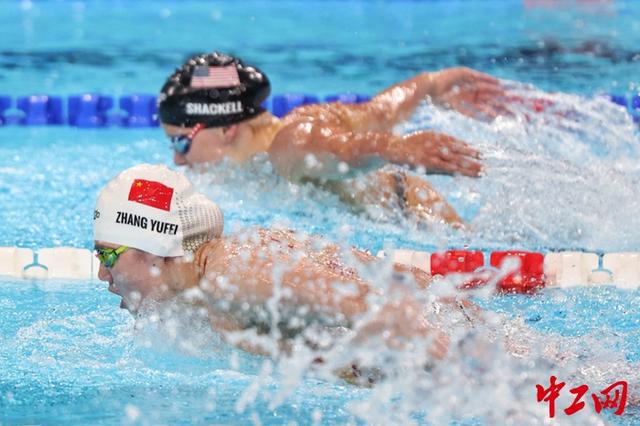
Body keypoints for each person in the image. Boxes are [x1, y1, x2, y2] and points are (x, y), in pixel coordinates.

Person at [94, 164, 474, 369]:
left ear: (156, 247)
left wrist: (501, 387)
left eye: (109, 256)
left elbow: (383, 306)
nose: (101, 274)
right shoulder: (208, 286)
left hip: (472, 354)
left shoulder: (233, 277)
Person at [158, 52, 509, 228]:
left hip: (416, 219)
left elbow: (349, 150)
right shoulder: (303, 123)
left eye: (180, 143)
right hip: (413, 204)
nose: (178, 160)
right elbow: (380, 112)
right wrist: (430, 83)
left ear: (226, 129)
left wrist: (396, 149)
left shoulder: (289, 145)